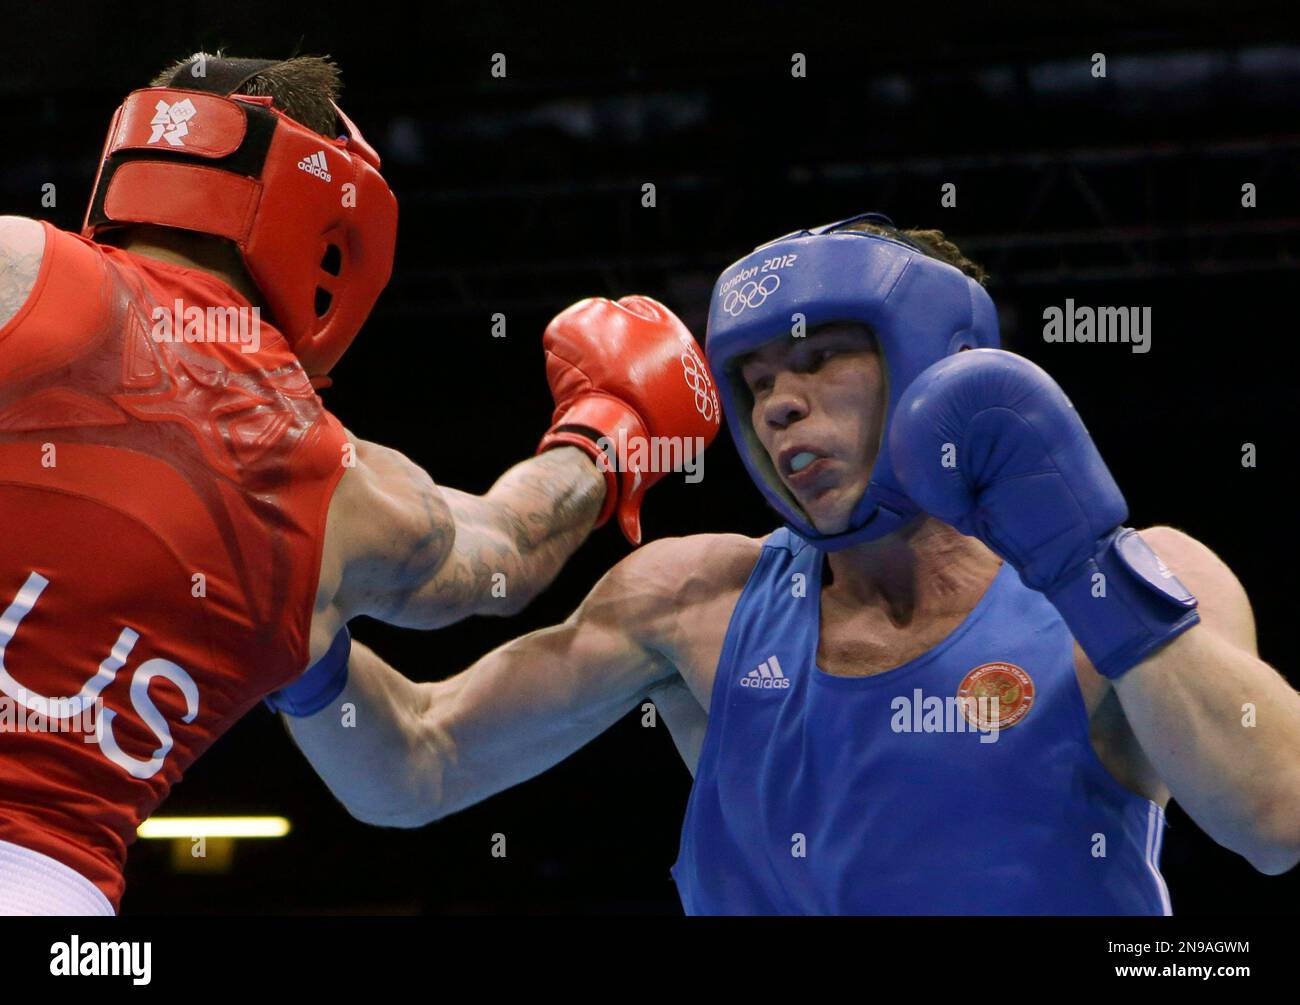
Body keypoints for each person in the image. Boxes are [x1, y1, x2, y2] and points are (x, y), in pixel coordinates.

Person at [292, 213, 1300, 914]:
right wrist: (283, 608)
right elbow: (413, 765)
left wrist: (1086, 561)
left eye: (819, 359)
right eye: (756, 379)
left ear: (934, 361)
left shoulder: (1141, 578)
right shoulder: (692, 604)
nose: (776, 405)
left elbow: (1276, 815)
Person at [0, 53, 719, 915]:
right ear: (333, 231)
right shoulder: (344, 497)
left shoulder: (16, 263)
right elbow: (509, 550)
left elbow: (414, 756)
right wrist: (608, 434)